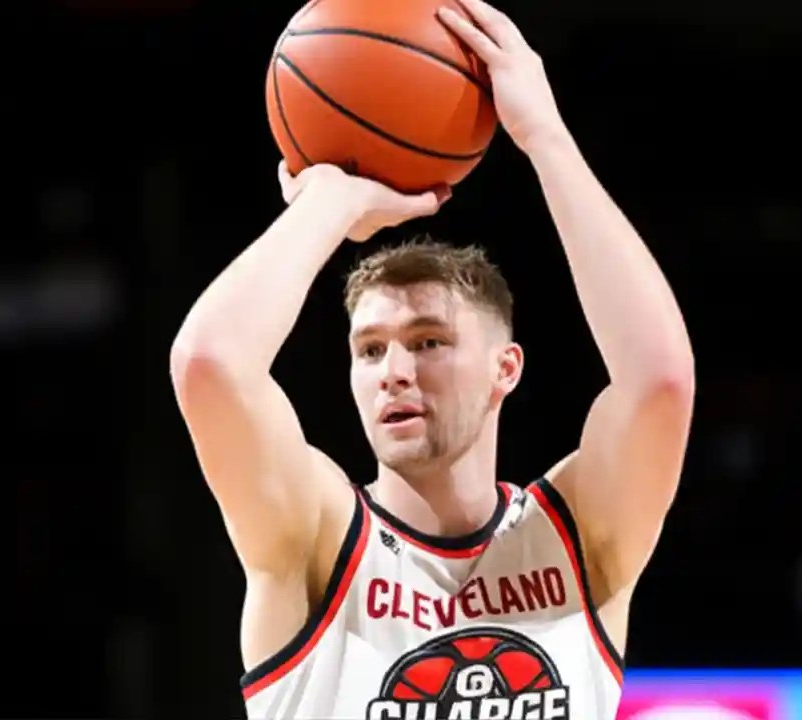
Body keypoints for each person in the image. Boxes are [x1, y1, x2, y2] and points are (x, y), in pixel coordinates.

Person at [169, 0, 695, 717]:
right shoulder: (317, 534)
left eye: (428, 342)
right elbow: (210, 366)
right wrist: (327, 204)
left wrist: (545, 136)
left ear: (504, 369)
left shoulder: (574, 535)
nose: (394, 368)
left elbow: (660, 381)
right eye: (370, 348)